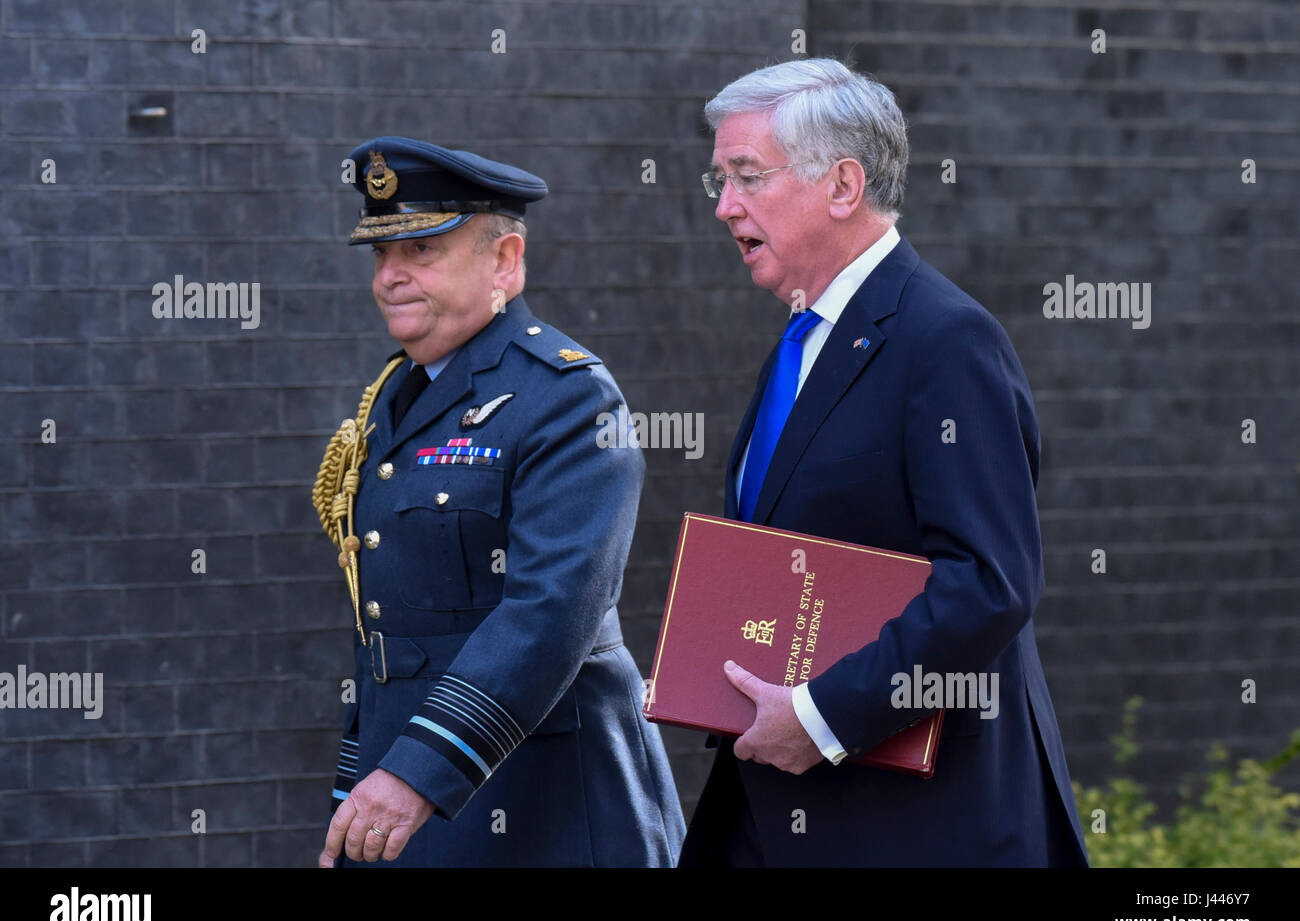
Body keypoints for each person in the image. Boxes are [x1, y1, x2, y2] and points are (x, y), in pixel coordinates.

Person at [678, 60, 1089, 866]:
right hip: (776, 812)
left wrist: (824, 714)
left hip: (915, 823)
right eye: (718, 179)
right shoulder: (804, 341)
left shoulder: (946, 340)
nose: (726, 205)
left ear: (842, 186)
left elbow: (989, 583)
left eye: (749, 176)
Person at [313, 136, 684, 866]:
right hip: (413, 788)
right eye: (382, 256)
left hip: (543, 800)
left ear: (505, 262)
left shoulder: (568, 397)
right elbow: (390, 624)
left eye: (421, 252)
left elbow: (551, 611)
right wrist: (363, 778)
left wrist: (414, 773)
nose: (391, 276)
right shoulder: (396, 392)